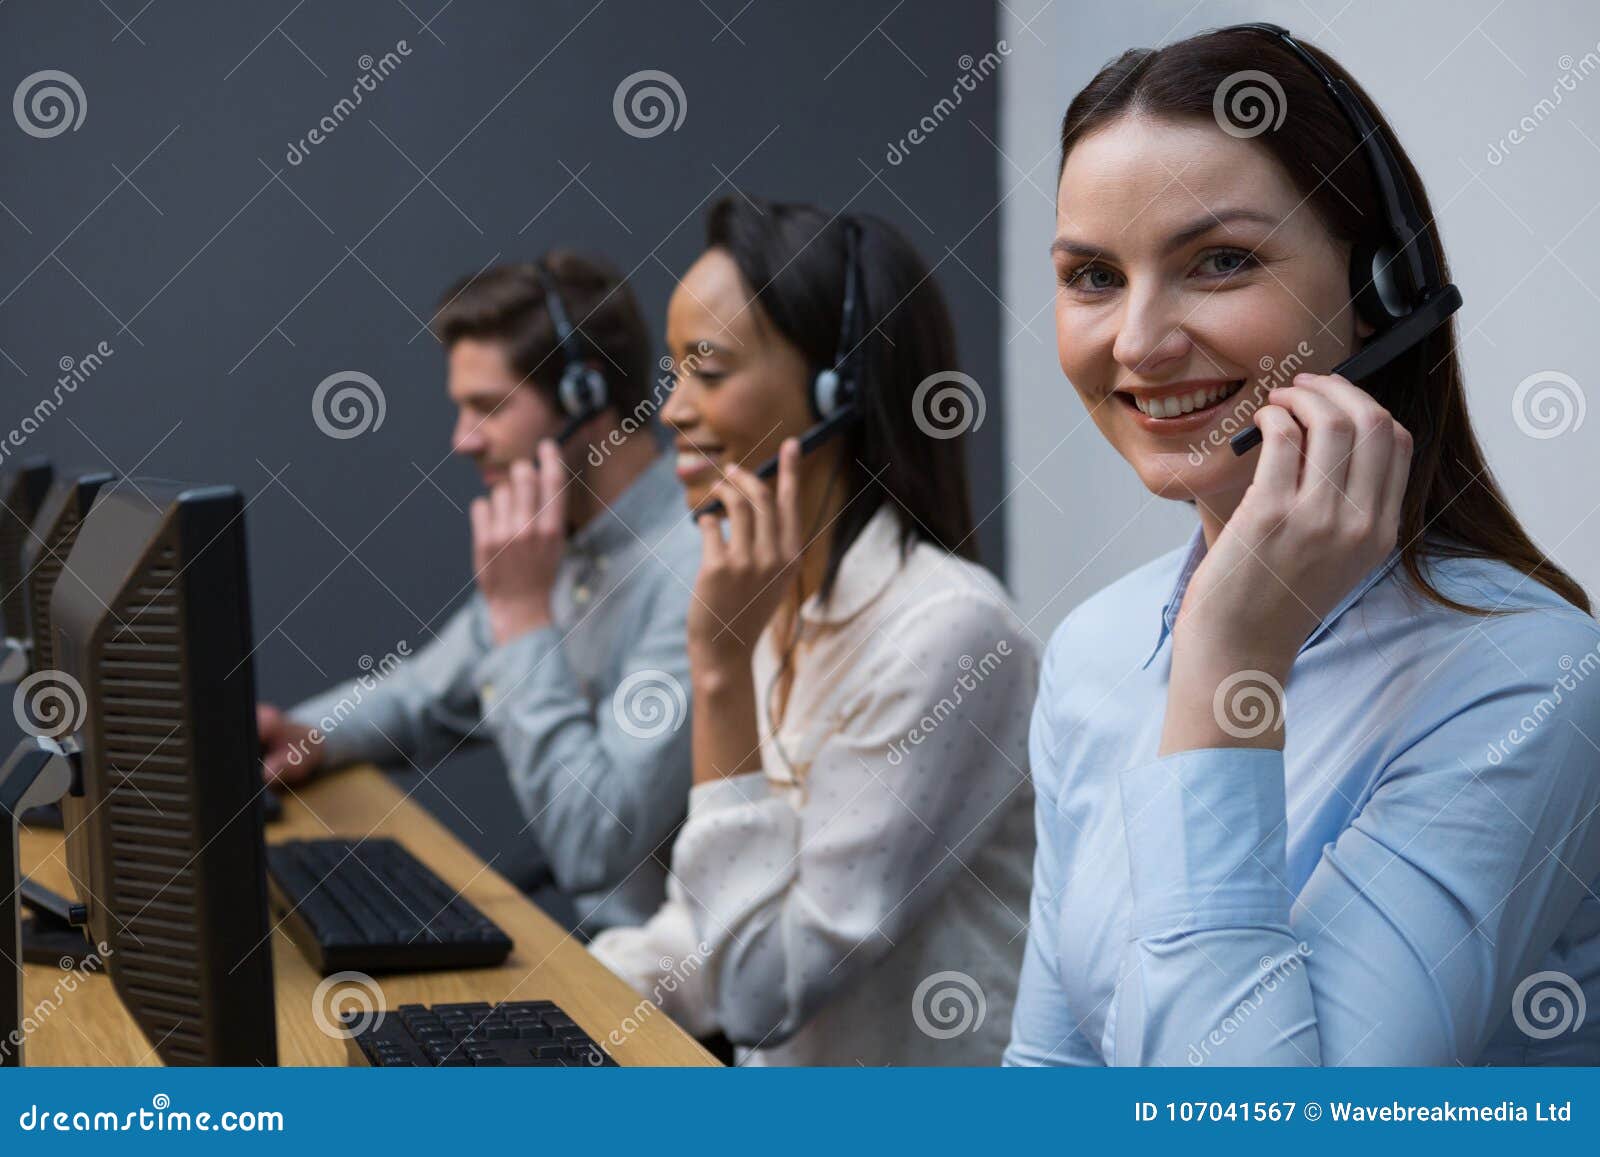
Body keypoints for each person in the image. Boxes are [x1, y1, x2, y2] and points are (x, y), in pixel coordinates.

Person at [1006, 24, 1600, 1066]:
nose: (1137, 341)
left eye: (1220, 261)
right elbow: (1050, 1080)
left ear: (1381, 289)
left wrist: (1228, 670)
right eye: (1093, 275)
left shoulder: (1525, 676)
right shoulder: (1095, 651)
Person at [588, 196, 1037, 1065]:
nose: (672, 411)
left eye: (708, 371)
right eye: (672, 373)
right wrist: (559, 995)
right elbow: (715, 922)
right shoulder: (779, 603)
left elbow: (761, 993)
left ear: (842, 389)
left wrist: (718, 668)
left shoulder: (950, 633)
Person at [257, 253, 701, 935]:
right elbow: (421, 694)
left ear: (585, 400)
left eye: (488, 407)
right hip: (596, 957)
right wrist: (312, 734)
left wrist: (522, 613)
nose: (462, 441)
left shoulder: (698, 568)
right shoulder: (558, 540)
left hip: (668, 1005)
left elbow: (597, 845)